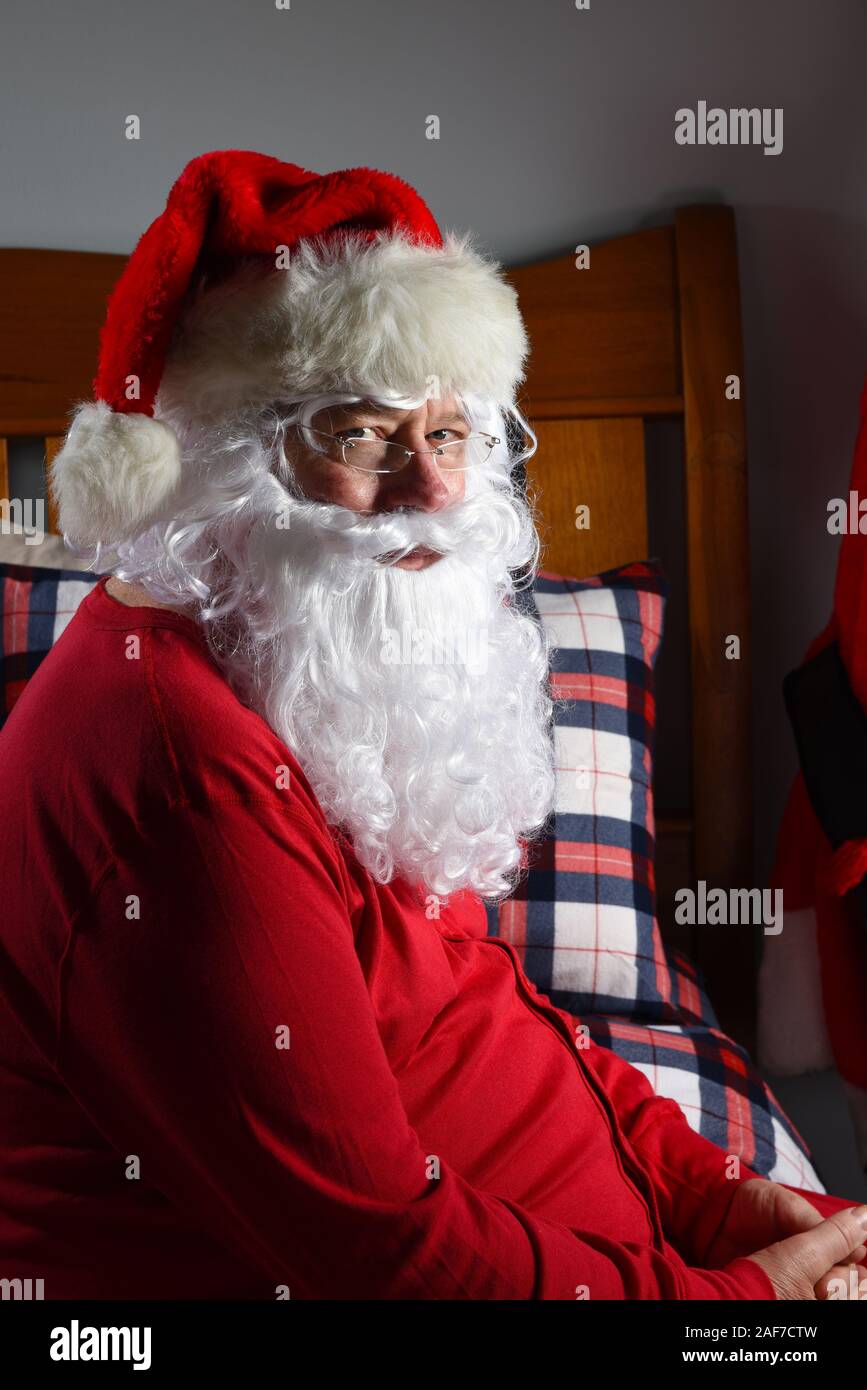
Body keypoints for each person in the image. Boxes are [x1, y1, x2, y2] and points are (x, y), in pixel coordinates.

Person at [0, 148, 865, 1301]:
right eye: (359, 433)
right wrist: (737, 1309)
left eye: (450, 433)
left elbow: (479, 1001)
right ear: (216, 462)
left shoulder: (310, 660)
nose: (430, 488)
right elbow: (375, 1259)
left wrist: (704, 1192)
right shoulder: (178, 776)